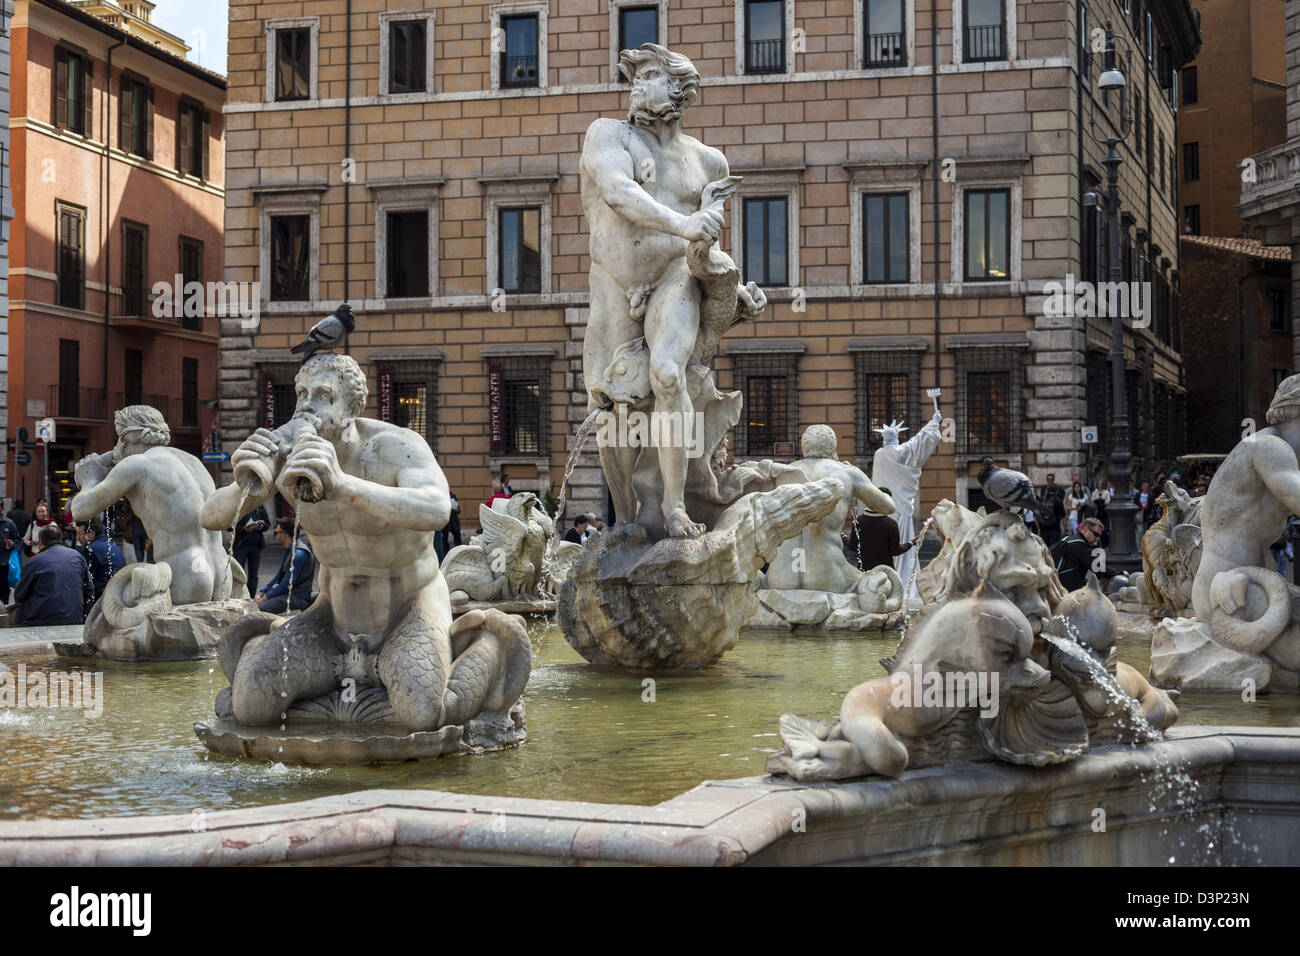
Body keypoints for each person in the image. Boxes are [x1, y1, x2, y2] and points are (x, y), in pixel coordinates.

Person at [15, 524, 91, 625]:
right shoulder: (77, 557)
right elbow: (89, 590)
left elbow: (19, 595)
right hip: (74, 618)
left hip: (40, 621)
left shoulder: (34, 562)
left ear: (41, 542)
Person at [255, 518, 315, 614]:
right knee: (261, 600)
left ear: (285, 534)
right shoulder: (291, 549)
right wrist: (262, 591)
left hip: (299, 597)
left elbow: (286, 584)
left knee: (262, 608)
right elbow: (278, 577)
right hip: (289, 592)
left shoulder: (299, 553)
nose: (275, 535)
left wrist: (265, 598)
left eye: (276, 532)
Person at [846, 487, 911, 572]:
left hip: (864, 574)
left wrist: (843, 536)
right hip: (886, 574)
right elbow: (895, 551)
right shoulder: (891, 524)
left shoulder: (858, 521)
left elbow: (853, 547)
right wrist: (911, 543)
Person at [75, 517, 126, 602]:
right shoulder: (109, 543)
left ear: (91, 534)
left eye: (80, 533)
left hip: (105, 597)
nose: (77, 537)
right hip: (120, 592)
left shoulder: (91, 549)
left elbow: (84, 580)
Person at [1052, 516, 1104, 592]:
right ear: (1085, 530)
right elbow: (1098, 569)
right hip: (1068, 589)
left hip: (1060, 584)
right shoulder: (1079, 544)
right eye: (1096, 534)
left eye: (1099, 536)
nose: (1097, 539)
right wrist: (1119, 572)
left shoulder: (1069, 539)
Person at [232, 504, 270, 597]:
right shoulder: (240, 506)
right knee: (238, 573)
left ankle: (250, 597)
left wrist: (262, 526)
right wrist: (244, 530)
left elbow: (268, 524)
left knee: (254, 575)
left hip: (256, 545)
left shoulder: (259, 507)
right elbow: (231, 526)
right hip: (241, 545)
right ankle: (237, 596)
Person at [0, 510, 17, 606]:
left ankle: (4, 608)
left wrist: (12, 543)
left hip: (4, 561)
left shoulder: (9, 523)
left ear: (2, 508)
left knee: (4, 586)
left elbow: (17, 539)